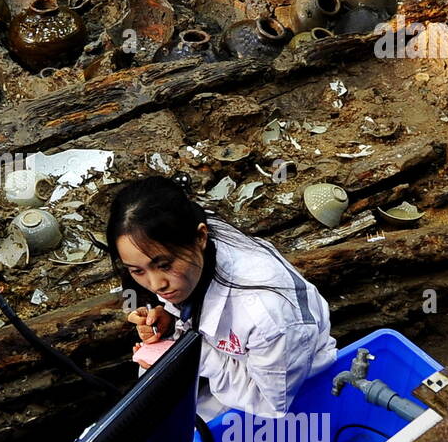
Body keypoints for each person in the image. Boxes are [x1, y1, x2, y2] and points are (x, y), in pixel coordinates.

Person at [108, 175, 337, 421]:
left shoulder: (266, 316)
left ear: (201, 237)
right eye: (137, 270)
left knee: (179, 428)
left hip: (284, 390)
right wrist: (170, 319)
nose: (156, 285)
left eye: (164, 265)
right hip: (227, 358)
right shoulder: (185, 229)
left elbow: (272, 403)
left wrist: (192, 354)